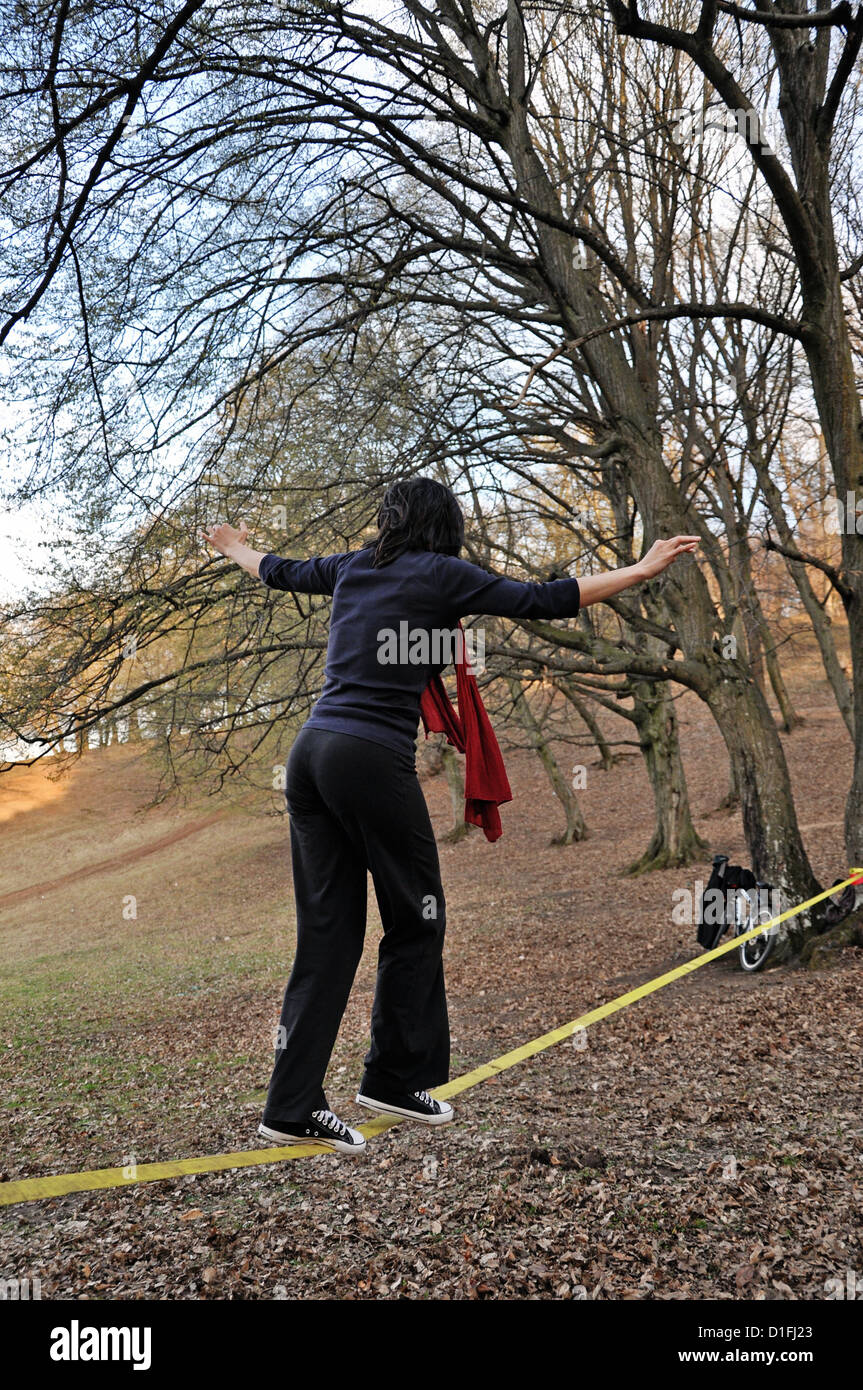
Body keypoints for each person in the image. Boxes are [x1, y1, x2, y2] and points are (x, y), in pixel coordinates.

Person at [203, 478, 698, 1154]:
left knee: (327, 932)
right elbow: (543, 598)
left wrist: (233, 544)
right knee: (417, 915)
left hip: (310, 755)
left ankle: (290, 1105)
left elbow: (276, 571)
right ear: (447, 525)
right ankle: (393, 1079)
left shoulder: (352, 565)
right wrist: (639, 570)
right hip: (369, 757)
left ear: (389, 521)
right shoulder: (441, 572)